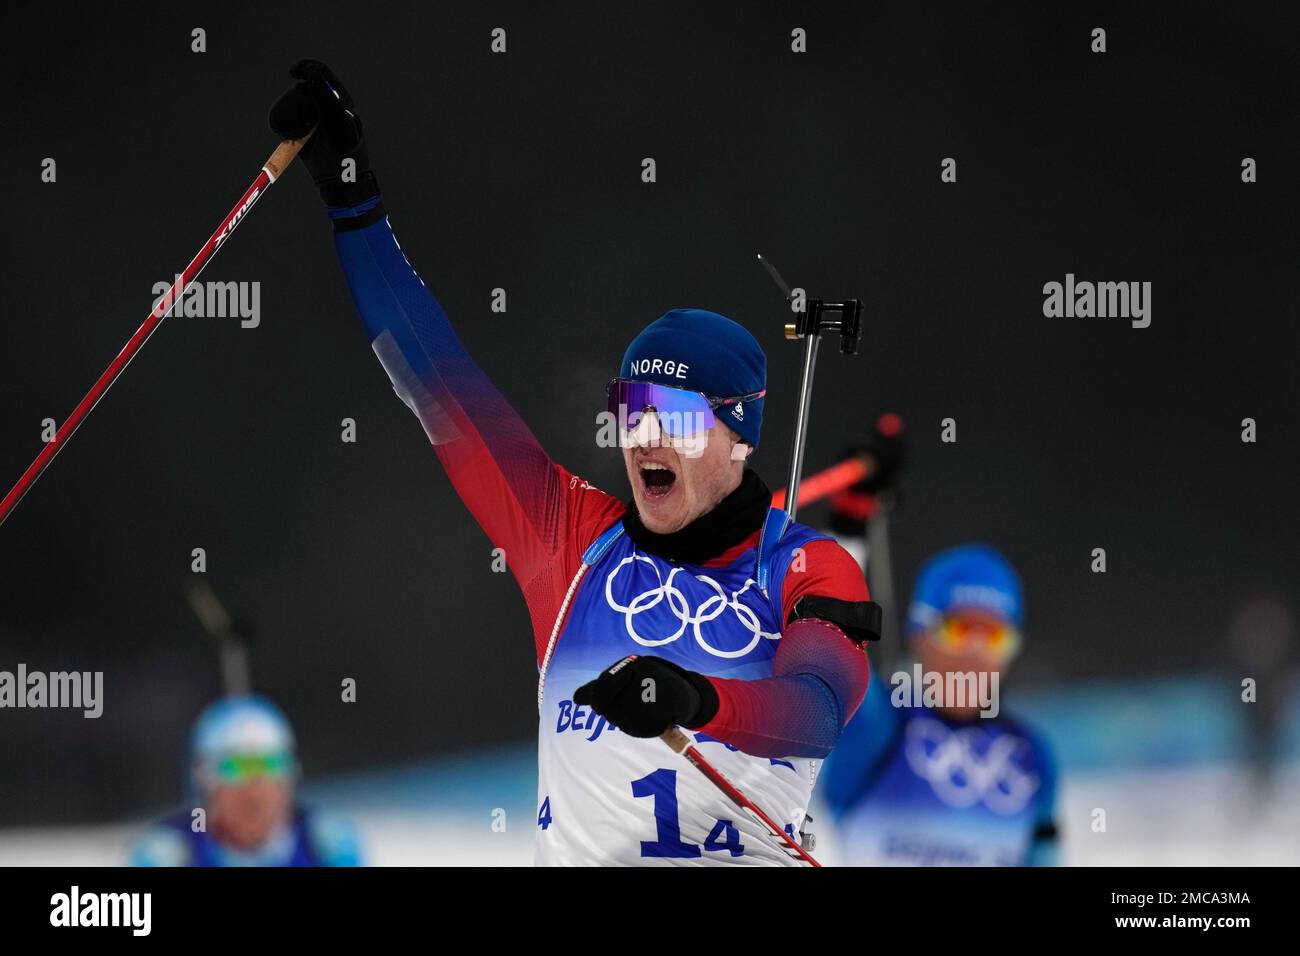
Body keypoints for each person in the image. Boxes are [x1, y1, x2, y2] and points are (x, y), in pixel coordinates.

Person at [267, 60, 881, 865]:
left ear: (741, 436)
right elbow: (434, 378)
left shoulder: (807, 565)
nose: (646, 440)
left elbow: (816, 710)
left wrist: (693, 698)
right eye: (632, 412)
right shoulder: (569, 539)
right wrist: (353, 200)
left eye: (677, 419)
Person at [821, 544, 1059, 866]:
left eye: (994, 636)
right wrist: (849, 529)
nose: (975, 653)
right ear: (920, 635)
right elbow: (830, 630)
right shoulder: (882, 725)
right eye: (959, 630)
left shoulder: (1031, 754)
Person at [130, 695, 361, 866]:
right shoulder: (170, 855)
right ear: (205, 784)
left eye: (270, 768)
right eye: (234, 770)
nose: (254, 792)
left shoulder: (326, 846)